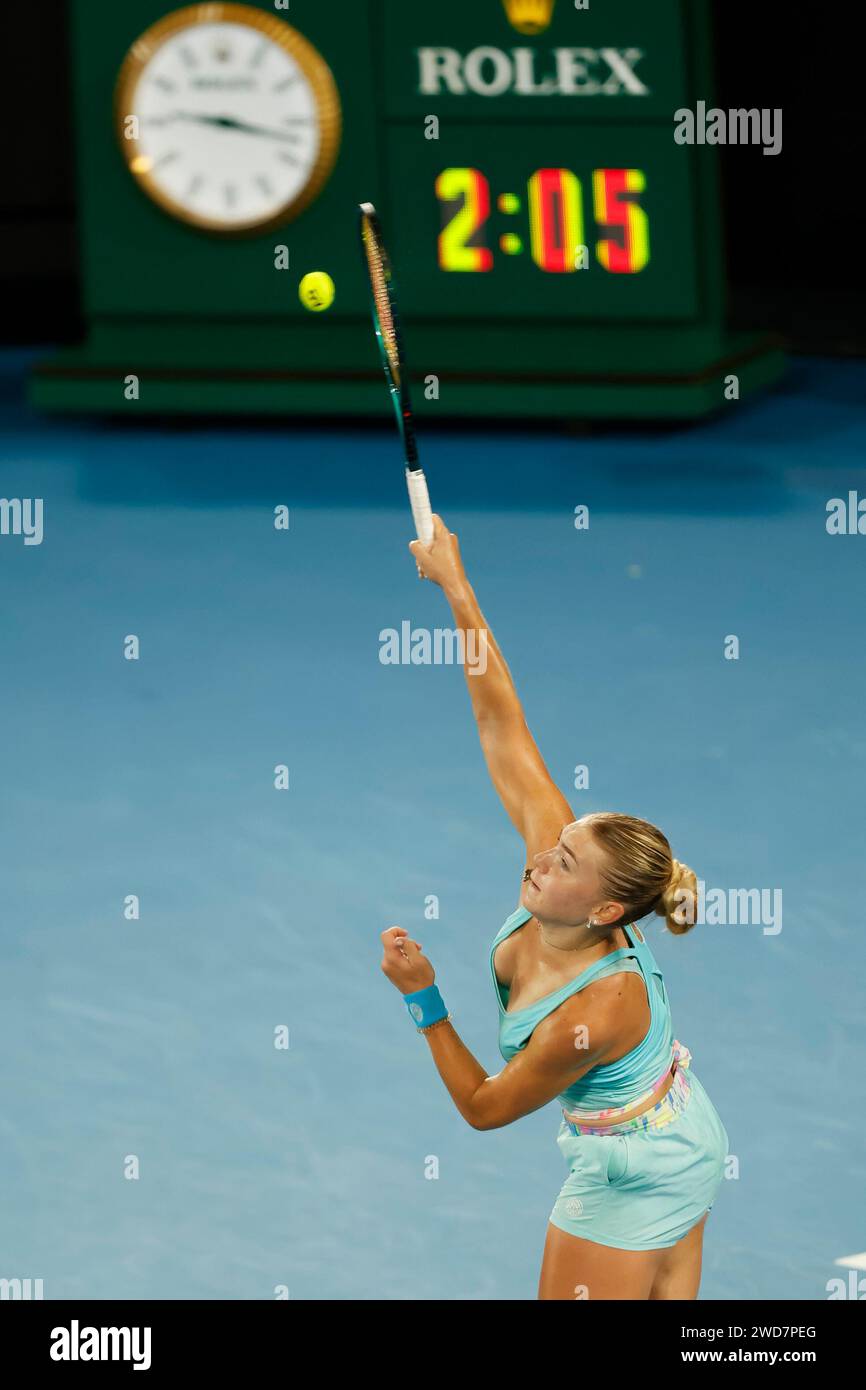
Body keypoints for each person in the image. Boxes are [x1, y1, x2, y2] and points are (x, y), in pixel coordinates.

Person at [380, 516, 729, 1300]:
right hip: (673, 1130)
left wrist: (422, 998)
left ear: (607, 909)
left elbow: (484, 1109)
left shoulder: (601, 1009)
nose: (540, 856)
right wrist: (458, 590)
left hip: (638, 1171)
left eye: (564, 859)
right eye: (556, 840)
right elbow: (501, 723)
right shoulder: (564, 881)